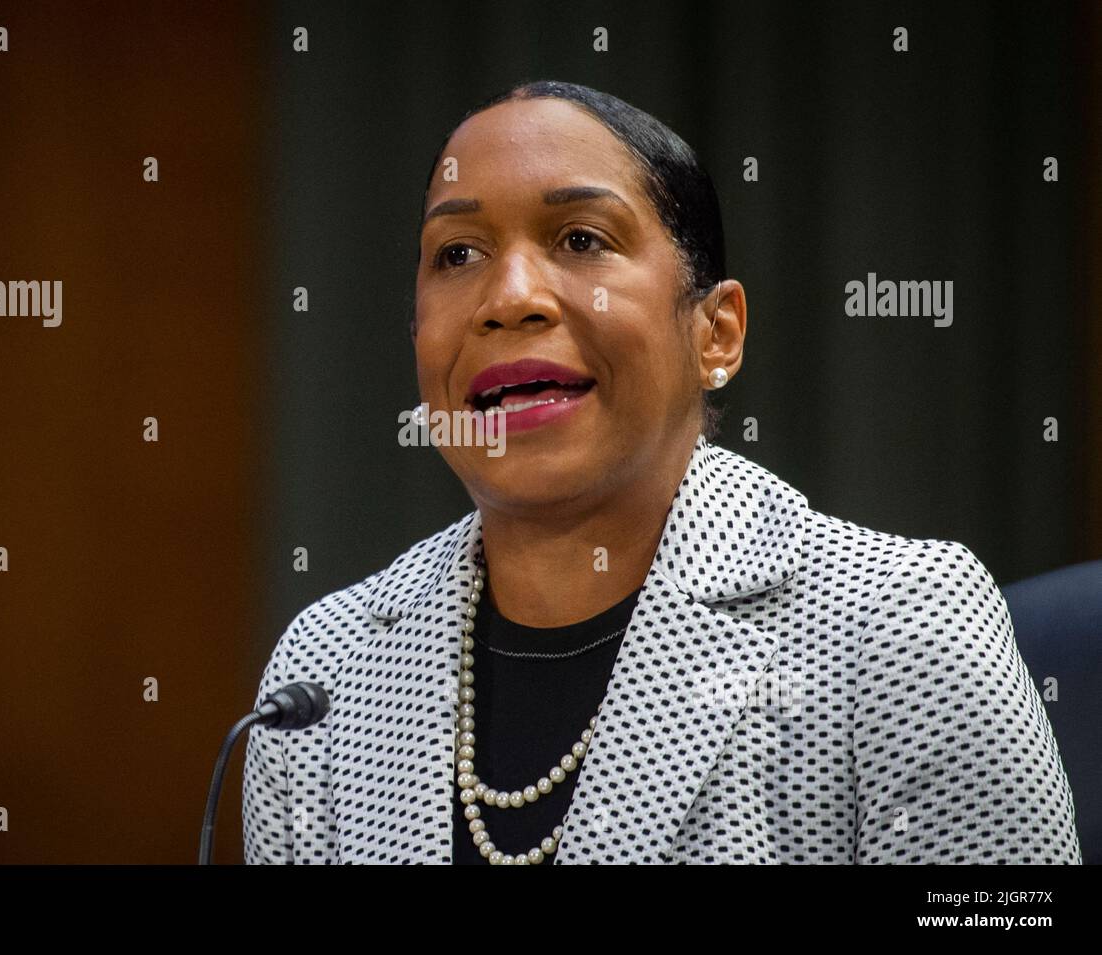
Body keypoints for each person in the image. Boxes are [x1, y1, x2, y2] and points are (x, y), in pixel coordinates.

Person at [242, 79, 1081, 864]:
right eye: (457, 254)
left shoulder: (897, 623)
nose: (509, 296)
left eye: (581, 239)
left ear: (716, 331)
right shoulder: (326, 667)